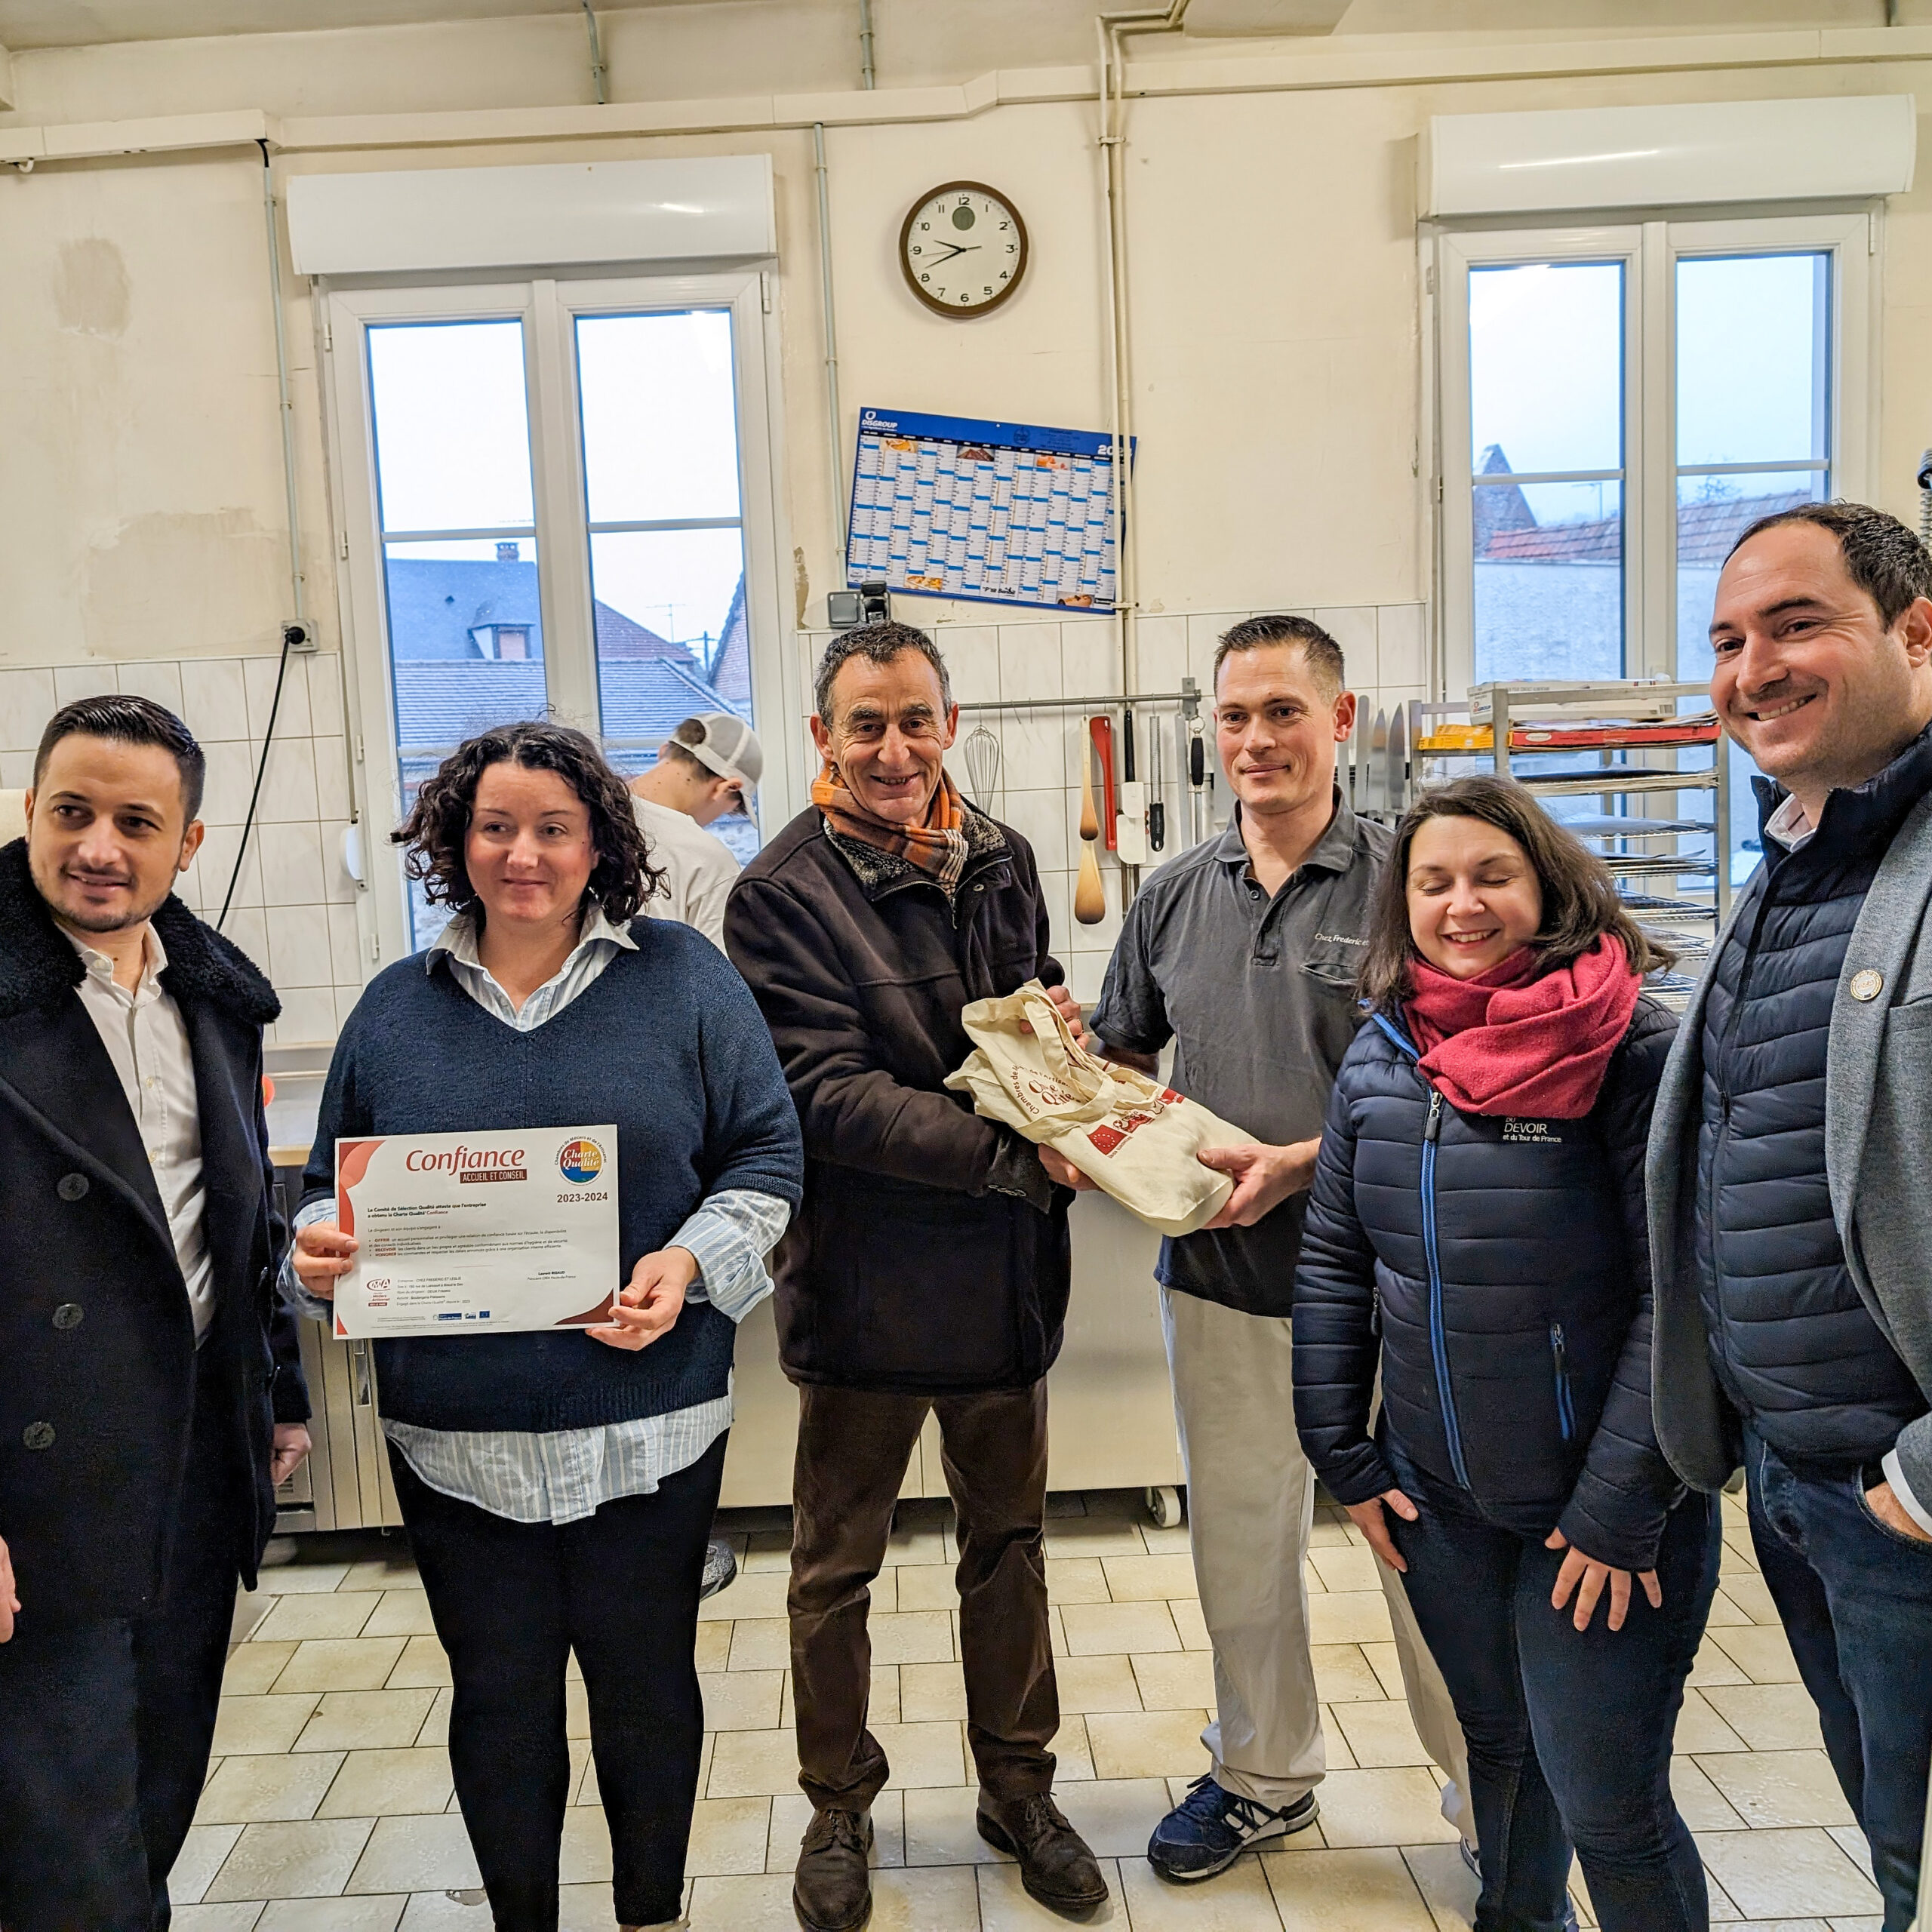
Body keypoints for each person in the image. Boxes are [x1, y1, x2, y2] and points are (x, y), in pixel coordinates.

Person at [288, 719, 801, 1932]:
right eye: (496, 827)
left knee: (644, 1687)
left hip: (652, 1422)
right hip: (455, 1438)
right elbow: (324, 1189)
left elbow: (769, 1153)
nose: (525, 853)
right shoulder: (392, 1010)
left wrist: (685, 1262)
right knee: (498, 1698)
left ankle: (651, 1914)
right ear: (456, 845)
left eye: (553, 829)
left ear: (598, 844)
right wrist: (316, 1254)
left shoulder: (683, 978)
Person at [1061, 614, 1472, 1881]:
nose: (1255, 741)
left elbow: (1470, 1075)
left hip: (1397, 1290)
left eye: (1283, 713)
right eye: (1234, 717)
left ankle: (1488, 1798)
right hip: (1224, 1284)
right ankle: (1261, 1776)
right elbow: (1122, 1055)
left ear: (1340, 721)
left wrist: (1302, 1164)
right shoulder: (1175, 897)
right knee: (1240, 1544)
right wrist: (1058, 1079)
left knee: (1423, 1555)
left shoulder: (1418, 881)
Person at [724, 620, 1106, 1931]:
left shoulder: (995, 854)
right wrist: (1017, 1159)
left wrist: (1069, 1041)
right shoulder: (777, 893)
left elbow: (1022, 1002)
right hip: (865, 1288)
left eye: (918, 719)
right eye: (867, 725)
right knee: (837, 1570)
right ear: (825, 735)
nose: (895, 749)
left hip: (1004, 1285)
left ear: (951, 721)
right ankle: (837, 1807)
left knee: (1009, 1550)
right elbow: (822, 1094)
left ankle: (1019, 1791)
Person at [1295, 775, 1718, 1932]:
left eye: (1492, 876)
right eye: (1433, 882)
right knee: (1503, 1751)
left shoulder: (1631, 1046)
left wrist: (1622, 1504)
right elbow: (1338, 1260)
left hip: (1602, 1516)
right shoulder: (1387, 1051)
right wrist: (1345, 1454)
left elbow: (1679, 1297)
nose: (1462, 905)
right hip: (1443, 1502)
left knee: (1609, 1806)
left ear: (1550, 886)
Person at [1648, 500, 1932, 1931]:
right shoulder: (1803, 859)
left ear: (1917, 631)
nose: (1752, 667)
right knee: (1898, 1845)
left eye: (1795, 623)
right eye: (1727, 639)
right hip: (1802, 1477)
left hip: (1910, 1500)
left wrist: (1925, 1475)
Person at [0, 694, 312, 1932]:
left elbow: (234, 1226)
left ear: (187, 842)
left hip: (188, 1466)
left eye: (137, 821)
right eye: (72, 811)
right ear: (29, 810)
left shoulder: (215, 1002)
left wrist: (278, 1393)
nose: (98, 846)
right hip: (35, 1488)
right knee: (65, 1848)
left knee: (156, 1787)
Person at [629, 710, 768, 1604]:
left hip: (566, 1122)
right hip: (667, 1119)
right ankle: (673, 1542)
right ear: (726, 788)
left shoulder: (585, 817)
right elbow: (724, 1005)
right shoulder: (703, 856)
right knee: (668, 1318)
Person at [632, 711, 764, 951]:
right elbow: (718, 980)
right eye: (728, 810)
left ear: (664, 751)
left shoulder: (582, 814)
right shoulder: (707, 860)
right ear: (727, 787)